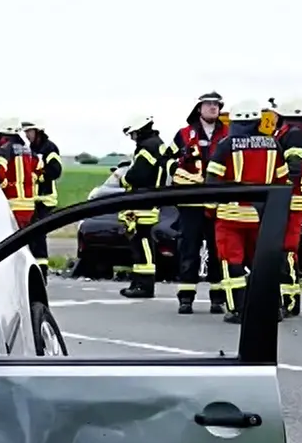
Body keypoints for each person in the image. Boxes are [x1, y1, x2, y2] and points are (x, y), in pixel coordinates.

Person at [204, 98, 289, 324]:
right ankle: (275, 308)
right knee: (262, 264)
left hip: (230, 217)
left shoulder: (225, 145)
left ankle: (238, 310)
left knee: (231, 263)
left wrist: (210, 211)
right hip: (263, 217)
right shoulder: (273, 144)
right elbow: (283, 181)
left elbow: (212, 183)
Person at [171, 91, 228, 315]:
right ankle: (186, 298)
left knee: (218, 250)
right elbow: (169, 162)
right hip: (190, 202)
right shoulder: (184, 134)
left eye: (217, 105)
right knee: (189, 249)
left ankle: (218, 298)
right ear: (199, 108)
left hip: (218, 201)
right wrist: (183, 179)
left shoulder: (228, 134)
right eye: (209, 104)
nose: (213, 108)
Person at [115, 115, 170, 298]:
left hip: (142, 202)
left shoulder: (147, 148)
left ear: (139, 131)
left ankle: (144, 285)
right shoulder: (157, 144)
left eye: (133, 134)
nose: (132, 138)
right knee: (142, 242)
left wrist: (122, 179)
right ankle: (139, 283)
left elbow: (137, 175)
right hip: (150, 200)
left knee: (142, 242)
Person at [268, 96, 302, 316]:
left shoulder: (294, 134)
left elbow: (294, 168)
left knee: (286, 249)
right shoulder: (292, 131)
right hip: (290, 198)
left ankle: (290, 300)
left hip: (291, 199)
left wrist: (278, 190)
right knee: (284, 249)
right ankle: (286, 297)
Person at [0, 121, 42, 262]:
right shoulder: (26, 149)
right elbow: (40, 168)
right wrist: (30, 180)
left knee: (10, 245)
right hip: (29, 205)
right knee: (23, 243)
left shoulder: (6, 149)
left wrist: (5, 186)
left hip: (13, 204)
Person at [22, 119, 64, 269]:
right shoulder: (30, 148)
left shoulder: (49, 148)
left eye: (29, 132)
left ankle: (42, 270)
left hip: (45, 199)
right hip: (33, 199)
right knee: (32, 236)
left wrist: (39, 176)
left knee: (38, 236)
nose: (27, 135)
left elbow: (56, 170)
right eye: (25, 132)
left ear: (37, 131)